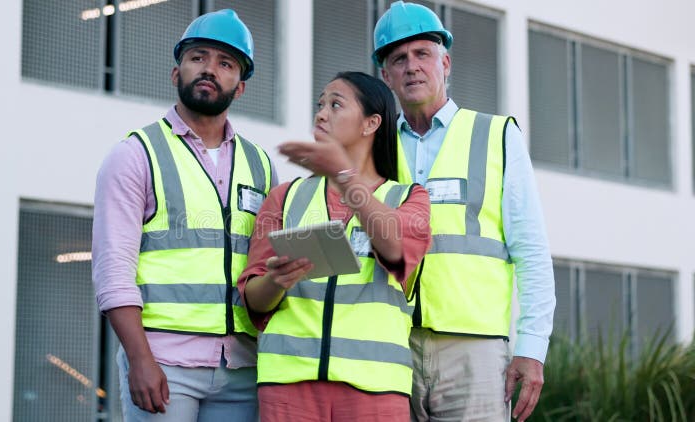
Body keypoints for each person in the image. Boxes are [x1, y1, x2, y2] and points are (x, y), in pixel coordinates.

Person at [371, 2, 556, 421]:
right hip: (388, 342)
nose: (412, 67)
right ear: (386, 76)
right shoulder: (374, 146)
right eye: (399, 59)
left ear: (446, 62)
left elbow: (531, 251)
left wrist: (531, 348)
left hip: (474, 351)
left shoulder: (497, 135)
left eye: (423, 54)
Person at [92, 9, 277, 421]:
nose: (210, 69)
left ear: (240, 87)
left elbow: (264, 266)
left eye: (225, 63)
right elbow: (113, 271)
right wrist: (139, 359)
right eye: (198, 57)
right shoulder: (136, 154)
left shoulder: (260, 165)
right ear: (176, 73)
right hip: (164, 364)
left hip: (242, 366)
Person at [238, 71, 432, 422]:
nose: (321, 114)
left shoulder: (408, 197)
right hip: (287, 387)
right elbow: (253, 298)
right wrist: (275, 281)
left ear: (371, 123)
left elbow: (395, 248)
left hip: (375, 390)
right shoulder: (285, 197)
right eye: (320, 104)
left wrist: (345, 177)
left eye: (335, 104)